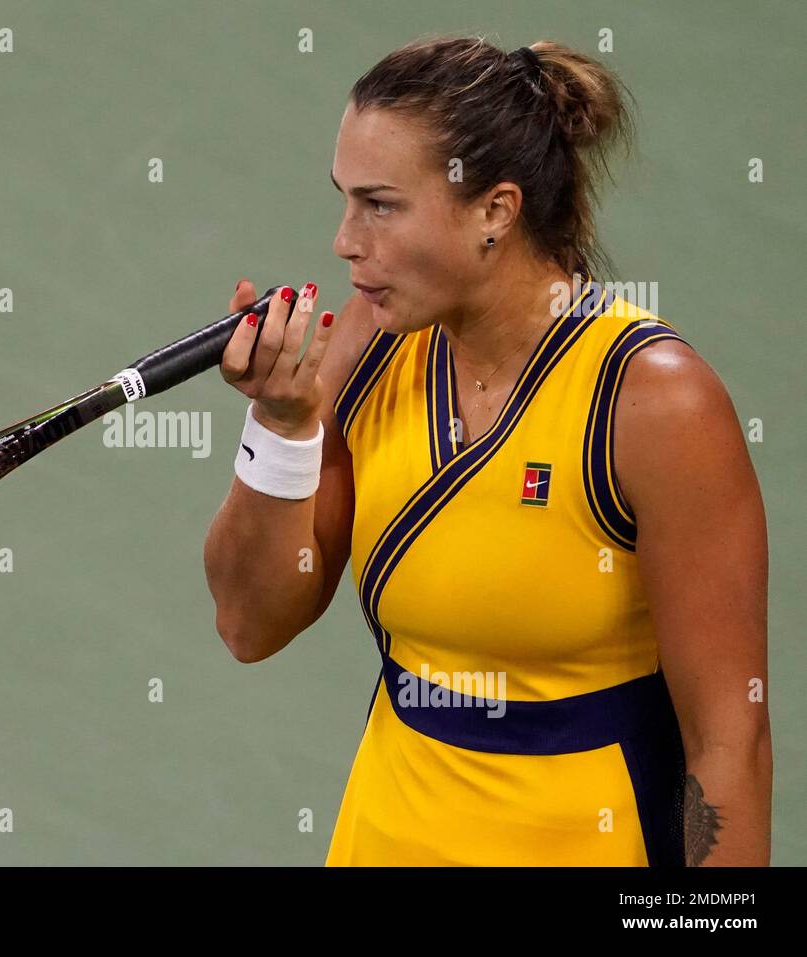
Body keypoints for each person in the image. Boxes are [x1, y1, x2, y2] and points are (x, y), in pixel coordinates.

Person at [203, 37, 771, 866]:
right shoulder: (370, 341)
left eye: (380, 205)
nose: (344, 241)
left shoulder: (655, 402)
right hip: (382, 836)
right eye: (344, 200)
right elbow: (249, 623)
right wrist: (282, 426)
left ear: (495, 211)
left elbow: (729, 740)